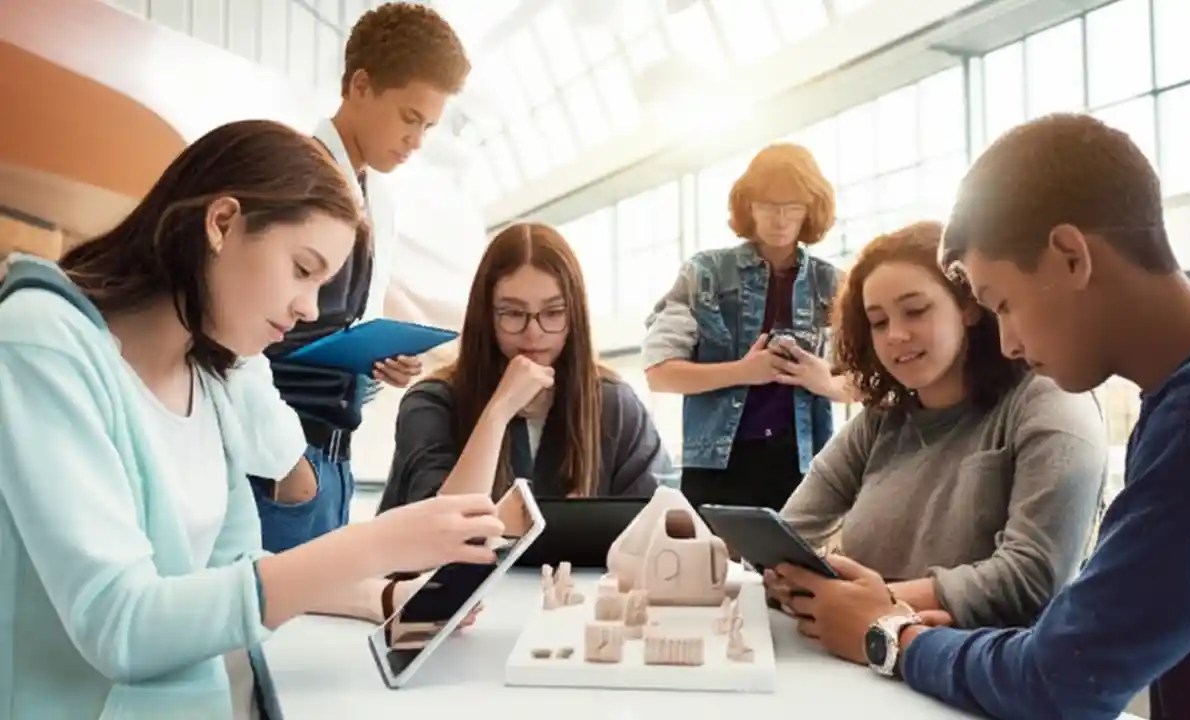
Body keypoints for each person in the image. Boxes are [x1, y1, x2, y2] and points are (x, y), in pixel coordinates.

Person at [775, 114, 1190, 719]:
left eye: (1003, 304)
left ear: (1071, 256)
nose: (1008, 342)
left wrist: (889, 635)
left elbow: (1062, 680)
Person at [0, 120, 503, 720]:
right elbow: (121, 624)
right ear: (221, 223)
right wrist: (376, 545)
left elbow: (237, 572)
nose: (309, 308)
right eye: (303, 269)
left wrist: (384, 593)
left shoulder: (210, 375)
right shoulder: (43, 343)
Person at [769, 220, 1107, 630]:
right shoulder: (881, 420)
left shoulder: (1050, 403)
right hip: (856, 649)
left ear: (969, 305)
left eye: (916, 311)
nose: (895, 335)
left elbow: (1033, 576)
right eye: (878, 322)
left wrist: (865, 603)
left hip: (977, 663)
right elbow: (790, 533)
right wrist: (789, 578)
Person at [248, 2, 472, 553]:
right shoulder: (288, 176)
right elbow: (236, 338)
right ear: (360, 86)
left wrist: (379, 363)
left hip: (333, 459)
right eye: (409, 118)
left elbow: (344, 326)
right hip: (280, 461)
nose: (416, 140)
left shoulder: (380, 200)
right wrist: (288, 461)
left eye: (428, 127)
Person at [379, 221, 672, 510]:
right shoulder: (432, 402)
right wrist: (498, 412)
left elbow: (659, 518)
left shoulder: (615, 404)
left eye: (553, 312)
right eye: (513, 313)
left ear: (575, 316)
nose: (533, 332)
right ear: (486, 315)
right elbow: (439, 527)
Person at [643, 143, 854, 511]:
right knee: (709, 549)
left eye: (793, 206)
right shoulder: (704, 273)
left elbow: (869, 383)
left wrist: (825, 382)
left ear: (809, 209)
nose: (780, 219)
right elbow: (659, 373)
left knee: (793, 551)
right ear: (749, 206)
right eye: (768, 205)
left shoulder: (832, 283)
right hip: (716, 467)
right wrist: (743, 372)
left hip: (803, 465)